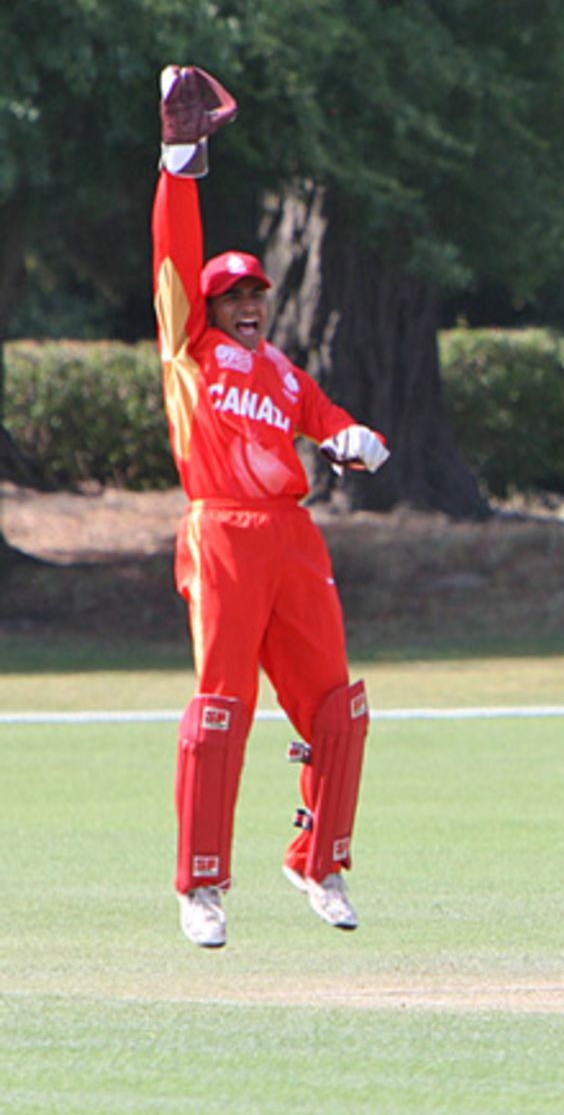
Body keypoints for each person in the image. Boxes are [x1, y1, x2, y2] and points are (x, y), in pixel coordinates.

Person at [152, 65, 390, 948]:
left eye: (256, 296)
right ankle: (201, 887)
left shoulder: (284, 373)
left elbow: (329, 421)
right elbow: (173, 256)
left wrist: (355, 438)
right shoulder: (187, 347)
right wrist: (180, 161)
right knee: (222, 707)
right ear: (209, 307)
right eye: (233, 298)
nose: (248, 307)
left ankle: (318, 859)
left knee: (338, 707)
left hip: (293, 538)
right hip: (220, 533)